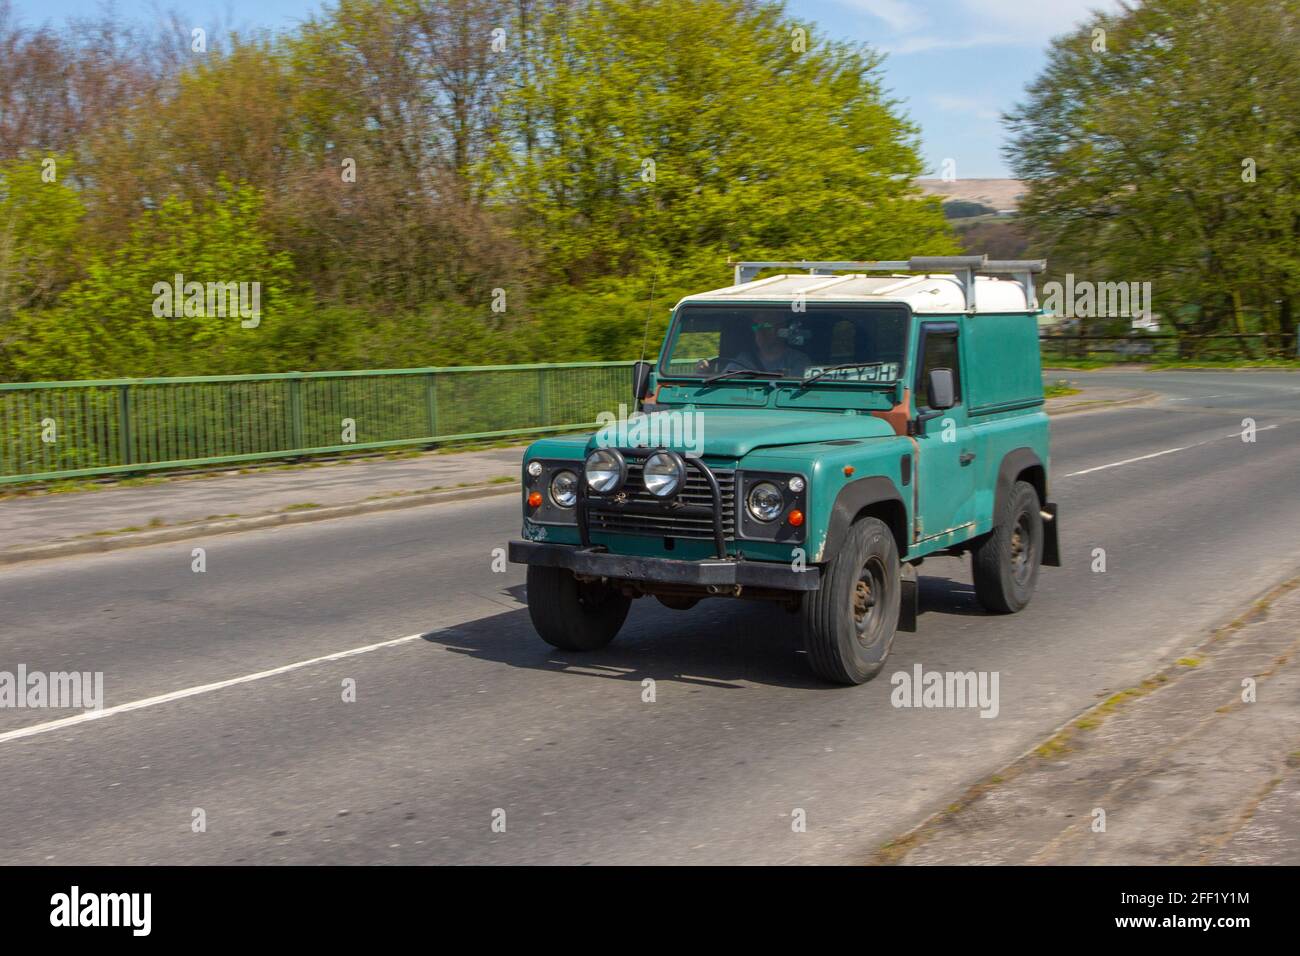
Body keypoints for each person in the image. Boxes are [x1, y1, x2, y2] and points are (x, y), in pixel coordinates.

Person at [728, 314, 811, 376]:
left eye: (767, 326)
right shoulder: (744, 360)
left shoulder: (797, 360)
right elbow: (724, 382)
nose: (761, 333)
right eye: (756, 327)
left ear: (781, 330)